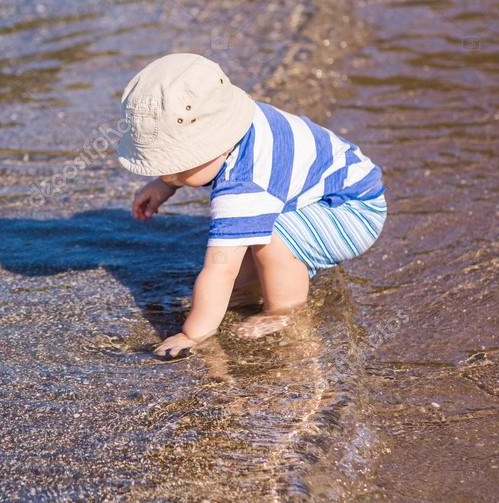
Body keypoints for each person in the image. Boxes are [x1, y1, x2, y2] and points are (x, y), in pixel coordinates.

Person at [118, 53, 386, 358]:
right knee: (241, 273)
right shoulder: (234, 125)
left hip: (353, 211)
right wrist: (166, 184)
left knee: (270, 240)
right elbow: (196, 162)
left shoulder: (245, 183)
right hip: (329, 190)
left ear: (215, 145)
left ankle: (283, 309)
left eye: (175, 166)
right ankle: (263, 284)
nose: (168, 173)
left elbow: (219, 270)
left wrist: (193, 334)